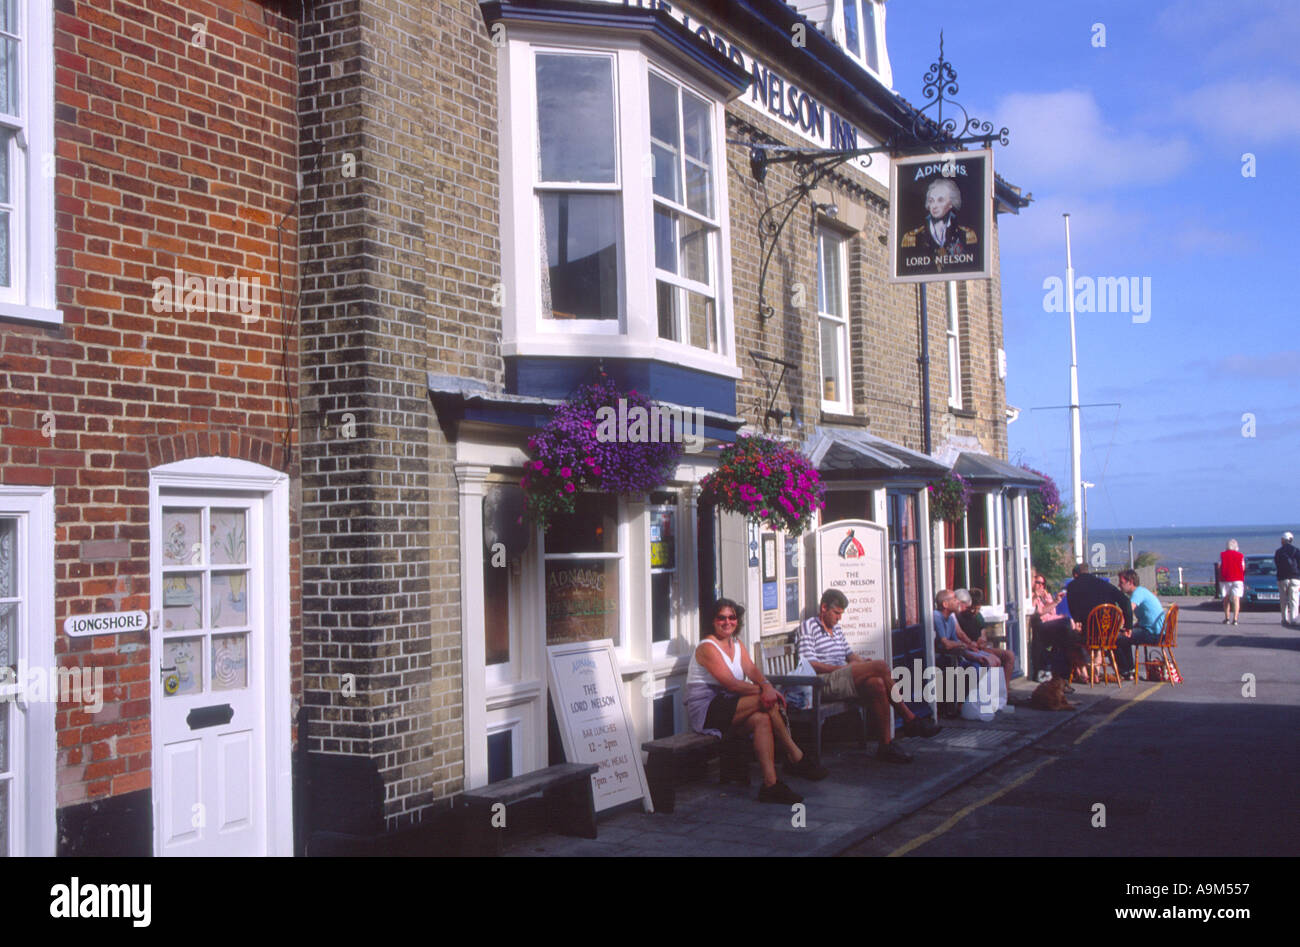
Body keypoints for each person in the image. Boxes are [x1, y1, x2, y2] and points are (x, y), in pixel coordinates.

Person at [685, 598, 828, 804]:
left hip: (731, 704)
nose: (727, 622)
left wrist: (766, 685)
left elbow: (751, 670)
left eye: (732, 617)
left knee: (762, 718)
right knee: (765, 702)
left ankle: (771, 784)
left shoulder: (735, 643)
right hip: (707, 709)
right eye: (721, 618)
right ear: (712, 621)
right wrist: (764, 691)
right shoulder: (707, 647)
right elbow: (732, 684)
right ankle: (796, 755)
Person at [797, 588, 940, 764]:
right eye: (836, 613)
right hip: (821, 682)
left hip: (841, 676)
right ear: (824, 608)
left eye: (841, 614)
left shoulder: (837, 629)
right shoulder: (808, 627)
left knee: (877, 683)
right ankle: (910, 718)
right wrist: (841, 668)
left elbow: (850, 654)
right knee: (880, 666)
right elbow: (809, 663)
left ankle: (885, 746)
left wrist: (862, 662)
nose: (839, 618)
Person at [1065, 568, 1134, 681]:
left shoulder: (1073, 585)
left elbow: (1072, 607)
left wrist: (1077, 620)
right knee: (1098, 644)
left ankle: (1083, 673)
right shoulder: (1104, 584)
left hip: (1088, 634)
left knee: (1069, 639)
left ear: (1075, 575)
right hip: (1108, 635)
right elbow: (1126, 602)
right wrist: (1129, 626)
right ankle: (1095, 673)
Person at [954, 588, 1017, 694]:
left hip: (980, 647)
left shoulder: (977, 617)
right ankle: (990, 695)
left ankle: (1003, 693)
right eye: (972, 608)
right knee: (993, 660)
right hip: (969, 649)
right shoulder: (958, 617)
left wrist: (982, 640)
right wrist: (972, 643)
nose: (974, 611)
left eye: (978, 609)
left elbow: (983, 635)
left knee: (1009, 655)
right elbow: (960, 636)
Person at [901, 177, 977, 261]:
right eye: (931, 200)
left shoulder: (965, 235)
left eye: (940, 200)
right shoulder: (913, 237)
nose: (934, 206)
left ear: (951, 203)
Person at [1116, 569, 1165, 680]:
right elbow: (1145, 617)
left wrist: (1117, 625)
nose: (1119, 585)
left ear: (1131, 582)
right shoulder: (1142, 591)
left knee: (1117, 638)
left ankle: (1126, 671)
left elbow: (1128, 611)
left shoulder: (1137, 593)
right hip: (1157, 631)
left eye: (1121, 582)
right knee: (1125, 636)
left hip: (1153, 633)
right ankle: (1129, 670)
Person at [1275, 531, 1300, 627]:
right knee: (1294, 599)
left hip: (1282, 578)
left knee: (1283, 599)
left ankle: (1284, 619)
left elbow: (1277, 564)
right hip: (1295, 578)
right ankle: (1294, 619)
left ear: (1283, 540)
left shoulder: (1279, 551)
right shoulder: (1296, 550)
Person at [1219, 539, 1245, 626]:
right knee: (1236, 599)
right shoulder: (1240, 555)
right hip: (1238, 579)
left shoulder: (1222, 555)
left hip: (1225, 579)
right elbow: (1243, 567)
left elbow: (1219, 566)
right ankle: (1235, 619)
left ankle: (1227, 618)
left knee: (1226, 599)